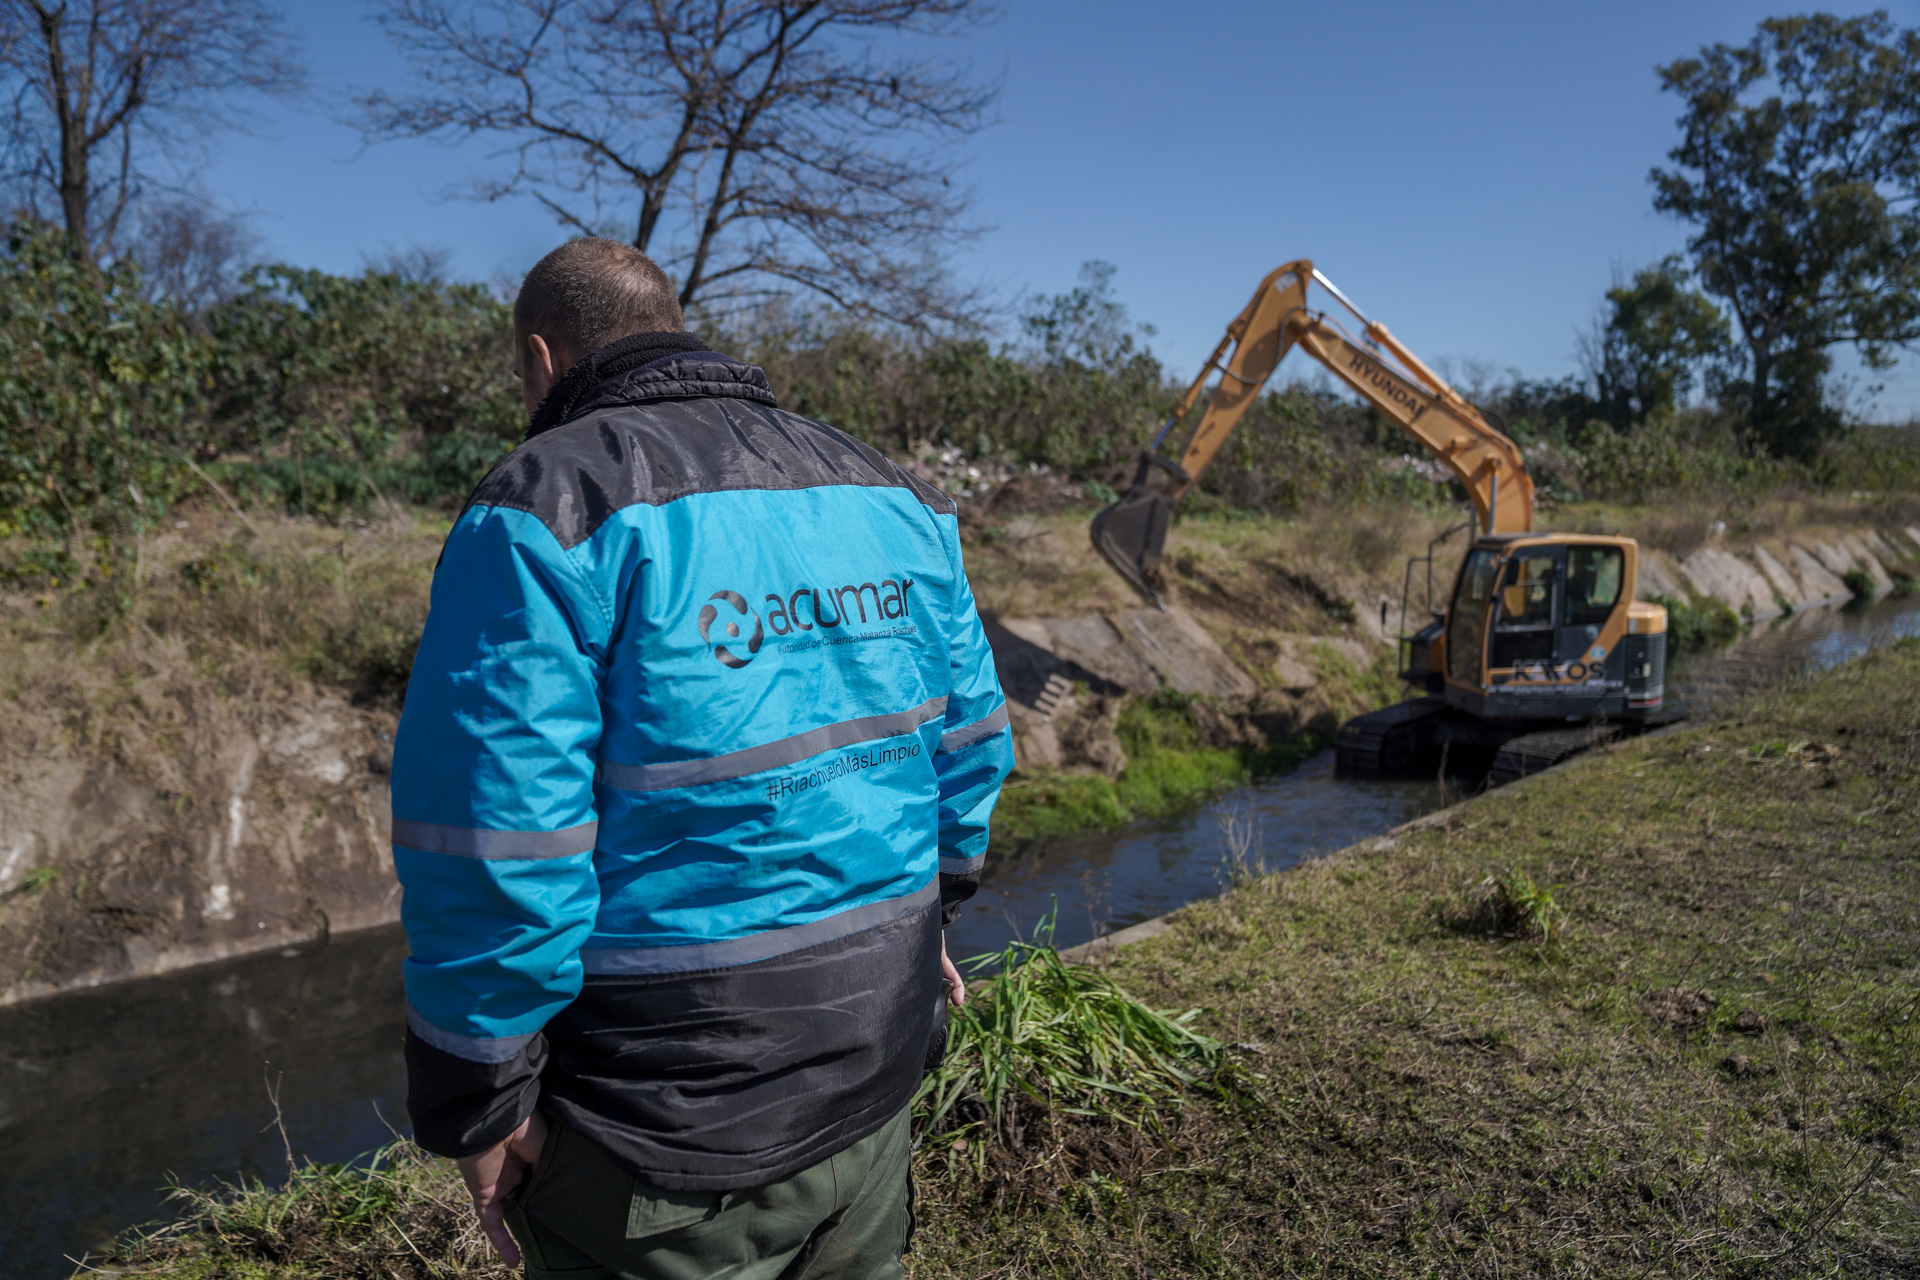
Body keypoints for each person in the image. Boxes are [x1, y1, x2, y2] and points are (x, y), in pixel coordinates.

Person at [390, 237, 1014, 1279]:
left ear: (542, 358)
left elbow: (497, 839)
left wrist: (480, 1100)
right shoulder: (889, 489)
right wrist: (932, 914)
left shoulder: (548, 504)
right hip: (876, 1072)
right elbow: (968, 739)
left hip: (659, 1136)